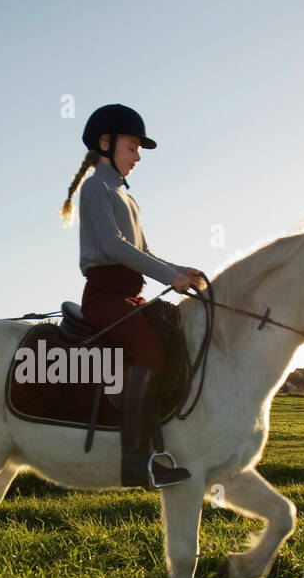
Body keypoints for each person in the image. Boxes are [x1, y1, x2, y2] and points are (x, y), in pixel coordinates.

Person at [59, 103, 207, 488]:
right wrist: (168, 275)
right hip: (105, 295)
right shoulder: (96, 187)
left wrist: (180, 271)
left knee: (171, 343)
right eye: (132, 146)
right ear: (106, 144)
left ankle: (162, 447)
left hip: (130, 292)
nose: (138, 157)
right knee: (151, 352)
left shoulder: (126, 195)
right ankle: (135, 463)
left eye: (139, 149)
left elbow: (144, 252)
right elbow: (114, 246)